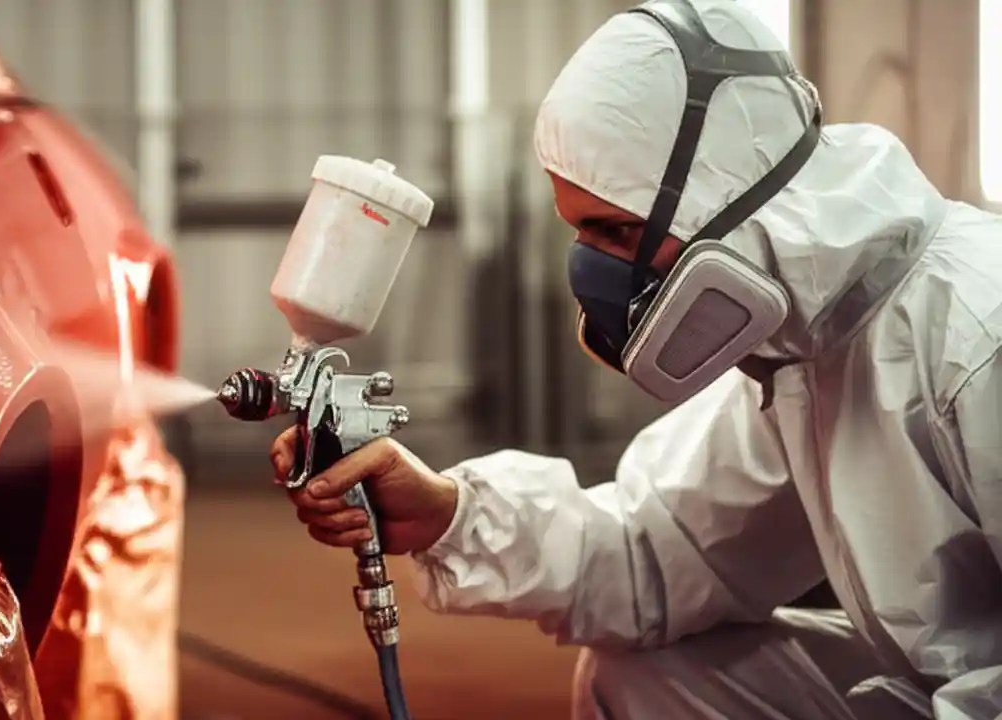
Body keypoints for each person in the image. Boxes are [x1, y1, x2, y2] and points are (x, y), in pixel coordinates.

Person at [271, 0, 1002, 718]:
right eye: (583, 236)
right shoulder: (808, 349)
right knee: (653, 675)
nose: (597, 275)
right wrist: (445, 514)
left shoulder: (978, 334)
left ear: (731, 201)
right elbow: (657, 552)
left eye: (616, 231)